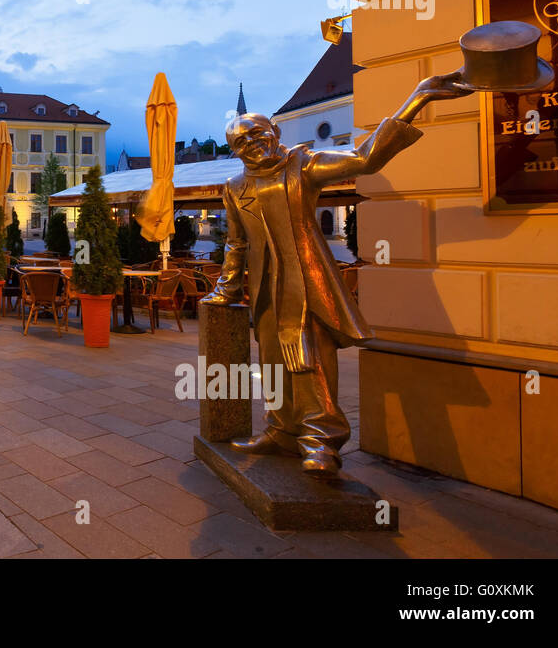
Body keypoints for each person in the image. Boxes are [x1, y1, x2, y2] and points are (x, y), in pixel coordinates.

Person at [202, 72, 473, 477]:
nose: (252, 145)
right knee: (274, 362)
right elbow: (236, 243)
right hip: (262, 292)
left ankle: (321, 441)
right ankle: (281, 430)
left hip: (306, 282)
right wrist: (226, 288)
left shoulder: (303, 163)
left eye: (258, 134)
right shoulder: (235, 184)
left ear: (274, 131)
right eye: (241, 142)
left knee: (307, 360)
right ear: (234, 152)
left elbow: (365, 158)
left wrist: (415, 100)